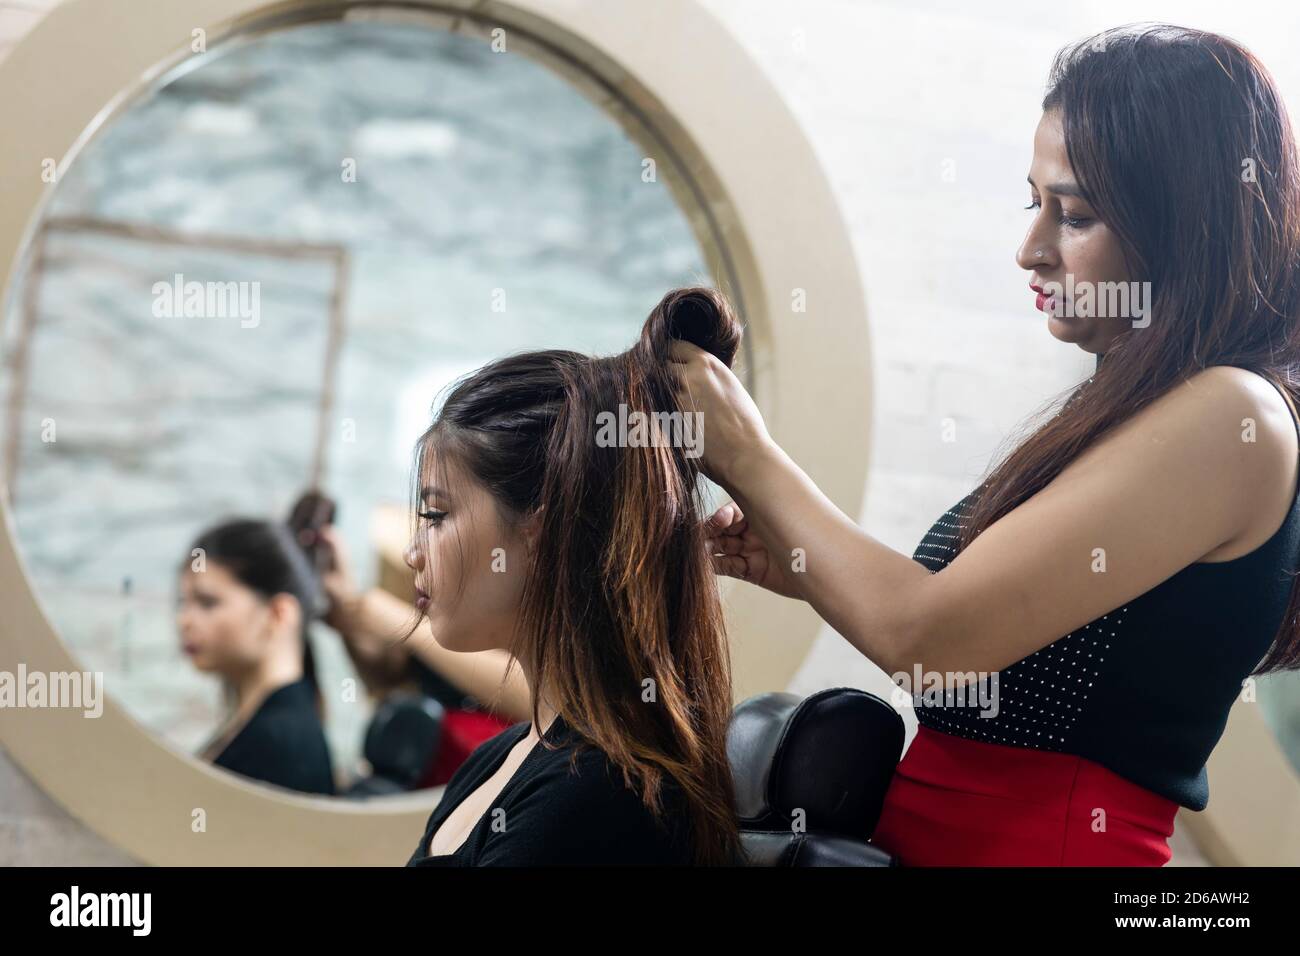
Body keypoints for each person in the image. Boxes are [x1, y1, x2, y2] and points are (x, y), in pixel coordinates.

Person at [672, 24, 1300, 865]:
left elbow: (930, 642)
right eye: (1032, 202)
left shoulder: (1233, 415)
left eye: (1073, 215)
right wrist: (802, 562)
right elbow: (962, 626)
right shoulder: (1134, 408)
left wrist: (746, 453)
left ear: (1182, 225)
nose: (1030, 249)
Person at [405, 287, 742, 866]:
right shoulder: (501, 761)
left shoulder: (590, 798)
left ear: (542, 531)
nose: (414, 552)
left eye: (437, 514)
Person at [178, 519, 337, 796]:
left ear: (278, 613)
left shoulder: (279, 742)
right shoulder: (264, 725)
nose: (184, 621)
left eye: (207, 602)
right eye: (183, 603)